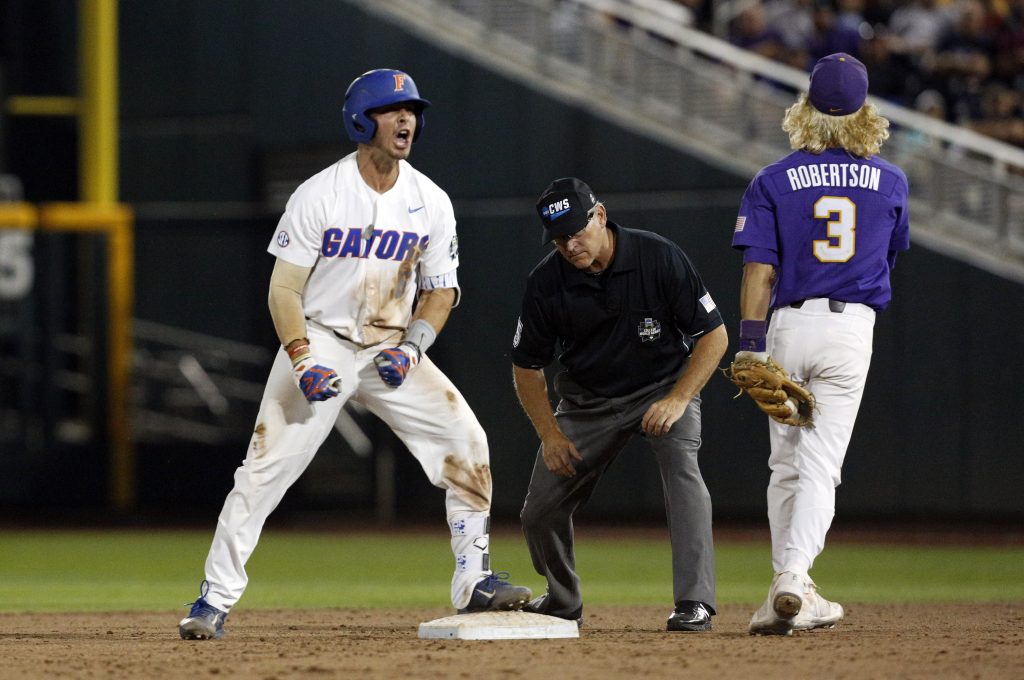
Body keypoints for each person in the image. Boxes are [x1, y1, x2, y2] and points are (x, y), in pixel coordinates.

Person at [178, 68, 530, 640]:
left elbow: (440, 290)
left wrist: (414, 348)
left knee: (466, 444)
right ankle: (212, 600)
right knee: (263, 472)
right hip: (321, 338)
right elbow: (283, 290)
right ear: (361, 119)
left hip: (392, 344)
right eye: (394, 110)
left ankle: (474, 581)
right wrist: (301, 358)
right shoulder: (320, 193)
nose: (407, 120)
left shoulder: (430, 200)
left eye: (412, 110)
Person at [731, 53, 910, 636]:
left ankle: (791, 585)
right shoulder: (891, 180)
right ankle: (793, 579)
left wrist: (751, 345)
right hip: (850, 328)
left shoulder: (773, 178)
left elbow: (759, 272)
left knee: (785, 464)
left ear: (804, 107)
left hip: (787, 324)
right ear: (866, 113)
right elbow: (887, 253)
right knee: (819, 468)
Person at [511, 178, 728, 631]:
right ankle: (563, 600)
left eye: (577, 231)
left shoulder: (657, 256)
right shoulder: (546, 282)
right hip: (588, 403)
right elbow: (526, 366)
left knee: (683, 473)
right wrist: (549, 433)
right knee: (539, 510)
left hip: (662, 389)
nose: (570, 245)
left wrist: (679, 398)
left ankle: (695, 602)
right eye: (559, 238)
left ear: (601, 216)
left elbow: (714, 334)